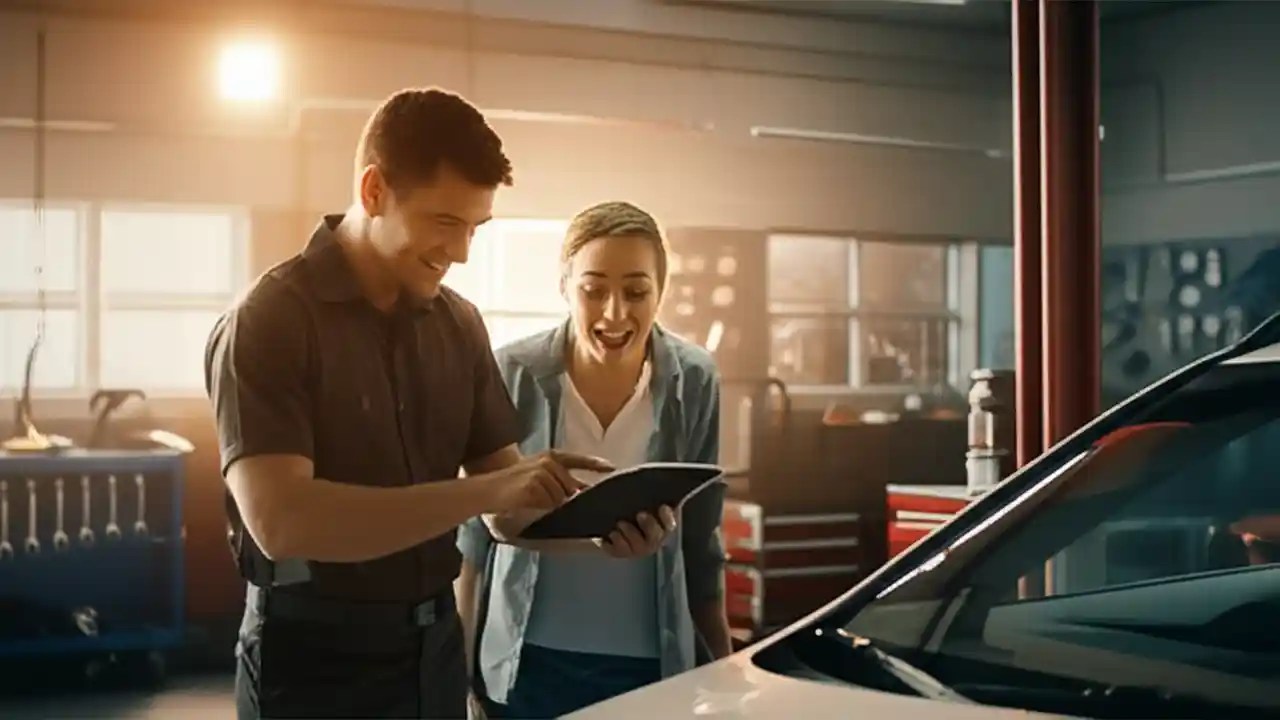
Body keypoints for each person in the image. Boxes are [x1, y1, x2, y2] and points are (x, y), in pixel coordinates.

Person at [203, 87, 615, 719]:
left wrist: (602, 530)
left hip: (433, 655)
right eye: (445, 222)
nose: (461, 252)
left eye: (475, 228)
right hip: (312, 666)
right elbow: (283, 522)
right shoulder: (269, 319)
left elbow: (508, 512)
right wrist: (491, 492)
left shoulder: (460, 325)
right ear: (373, 192)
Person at [457, 201, 734, 719]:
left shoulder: (694, 380)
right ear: (565, 286)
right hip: (524, 666)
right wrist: (461, 678)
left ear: (661, 291)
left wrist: (721, 666)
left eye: (636, 291)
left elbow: (702, 541)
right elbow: (473, 542)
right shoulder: (513, 371)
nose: (614, 313)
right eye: (593, 290)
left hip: (648, 668)